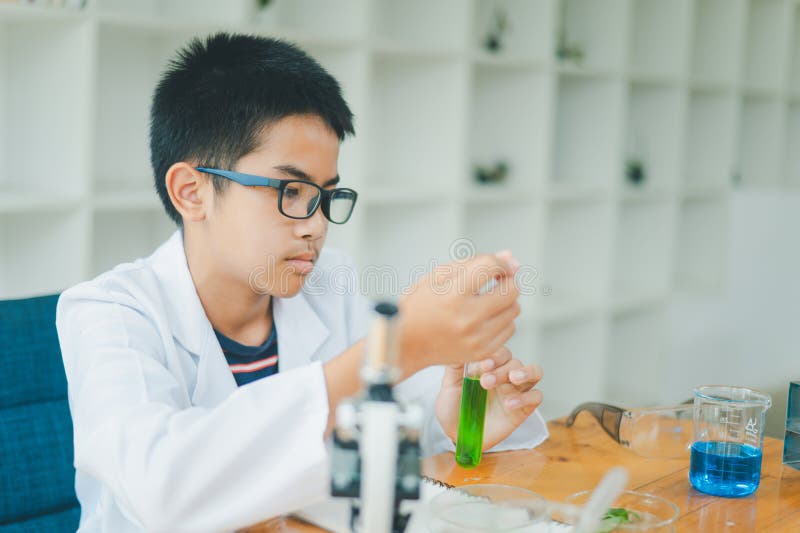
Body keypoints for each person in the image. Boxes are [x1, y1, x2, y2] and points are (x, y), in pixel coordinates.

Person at [56, 33, 547, 533]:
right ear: (191, 192)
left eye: (325, 195)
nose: (315, 225)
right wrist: (398, 348)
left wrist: (455, 424)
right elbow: (163, 490)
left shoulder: (329, 280)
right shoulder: (108, 312)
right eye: (291, 191)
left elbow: (385, 430)